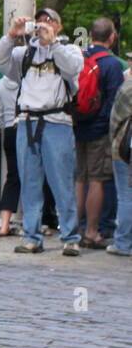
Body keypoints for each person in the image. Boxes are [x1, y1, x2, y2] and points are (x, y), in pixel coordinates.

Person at [0, 9, 84, 255]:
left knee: (62, 182)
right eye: (40, 21)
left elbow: (73, 69)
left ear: (59, 26)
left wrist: (52, 42)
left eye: (49, 21)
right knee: (29, 183)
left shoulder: (70, 50)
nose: (43, 25)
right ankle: (32, 236)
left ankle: (71, 236)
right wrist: (12, 34)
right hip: (27, 122)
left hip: (57, 123)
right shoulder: (25, 53)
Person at [72, 18, 124, 249]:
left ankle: (76, 229)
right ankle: (93, 231)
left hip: (78, 125)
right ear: (112, 37)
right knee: (97, 181)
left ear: (91, 34)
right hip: (100, 130)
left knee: (79, 179)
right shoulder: (113, 65)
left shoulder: (79, 58)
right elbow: (114, 103)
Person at [106, 70, 132, 257]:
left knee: (126, 196)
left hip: (125, 148)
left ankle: (123, 243)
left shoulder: (128, 88)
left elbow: (115, 121)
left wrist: (112, 140)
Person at [0, 75, 21, 235]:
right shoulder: (27, 79)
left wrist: (6, 126)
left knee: (12, 177)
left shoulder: (2, 83)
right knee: (32, 177)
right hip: (27, 127)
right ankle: (35, 221)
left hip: (9, 129)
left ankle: (5, 223)